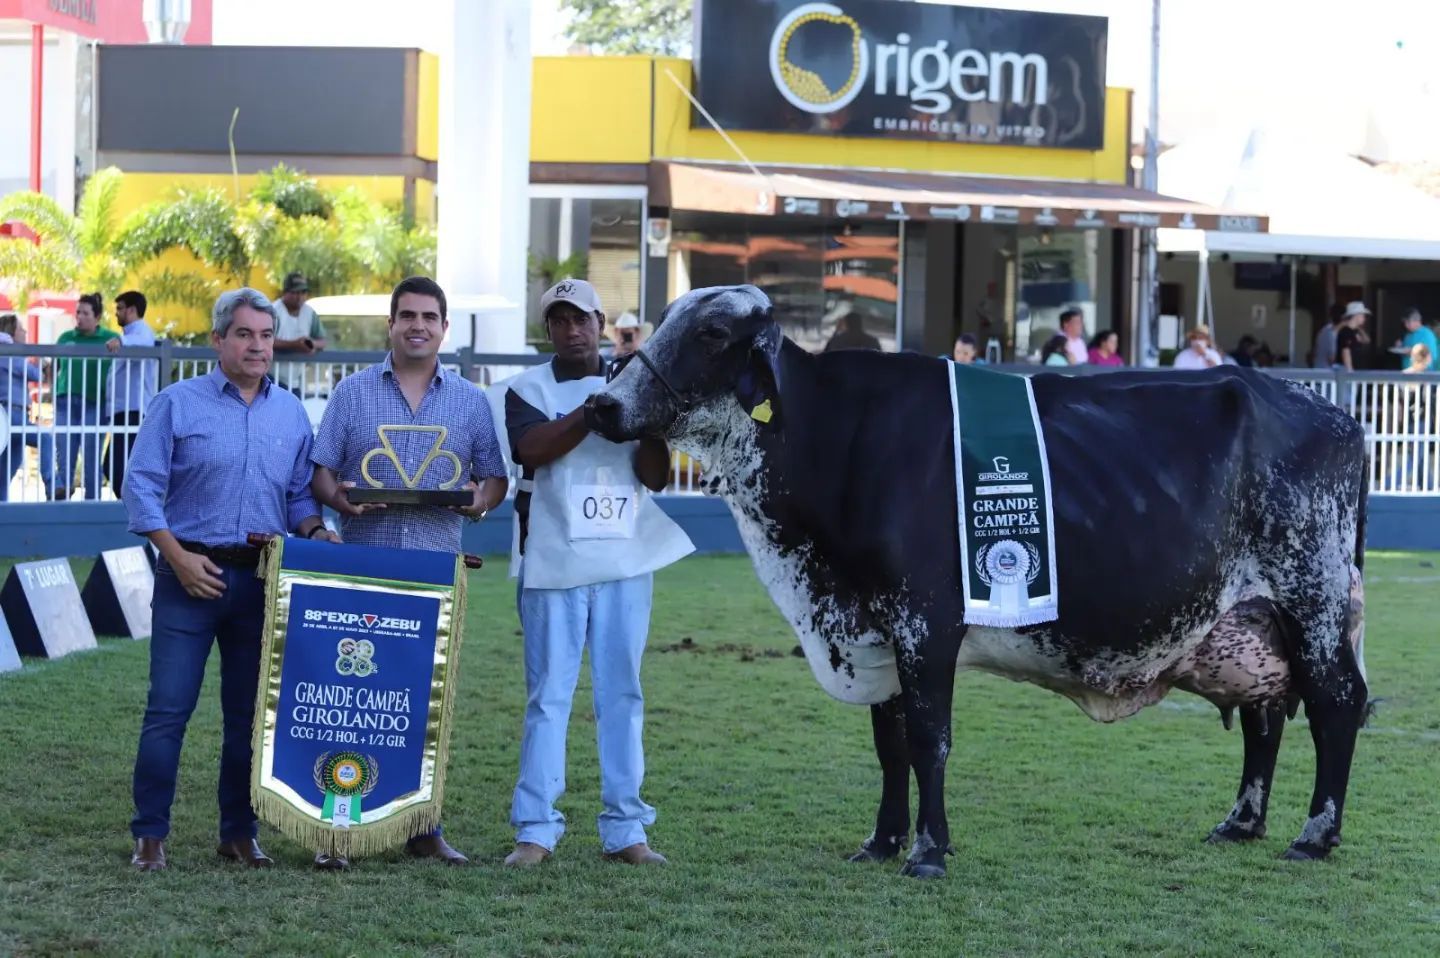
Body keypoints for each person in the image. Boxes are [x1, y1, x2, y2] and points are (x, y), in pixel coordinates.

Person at [122, 288, 338, 873]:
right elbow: (141, 487)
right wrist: (178, 557)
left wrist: (317, 531)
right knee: (168, 711)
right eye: (244, 334)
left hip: (261, 582)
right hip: (187, 577)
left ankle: (238, 834)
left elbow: (298, 496)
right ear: (218, 339)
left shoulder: (290, 412)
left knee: (247, 718)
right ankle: (150, 835)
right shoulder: (176, 403)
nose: (257, 346)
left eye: (266, 335)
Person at [309, 275, 509, 870]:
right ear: (390, 325)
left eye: (428, 317)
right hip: (365, 568)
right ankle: (337, 831)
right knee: (352, 700)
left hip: (434, 574)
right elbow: (321, 473)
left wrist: (478, 503)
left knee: (426, 704)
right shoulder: (352, 393)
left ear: (444, 328)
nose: (417, 326)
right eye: (407, 316)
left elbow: (493, 479)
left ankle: (424, 828)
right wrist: (341, 501)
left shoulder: (470, 400)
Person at [503, 279, 694, 868]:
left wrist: (647, 415)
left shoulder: (634, 381)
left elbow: (656, 475)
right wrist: (594, 411)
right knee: (548, 697)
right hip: (553, 562)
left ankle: (626, 829)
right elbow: (531, 449)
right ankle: (536, 829)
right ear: (548, 329)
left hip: (625, 561)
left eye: (581, 318)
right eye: (559, 320)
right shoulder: (526, 388)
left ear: (600, 322)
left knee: (623, 695)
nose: (572, 330)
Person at [42, 293, 119, 499]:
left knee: (91, 457)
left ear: (97, 317)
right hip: (65, 402)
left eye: (85, 313)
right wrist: (54, 393)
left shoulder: (110, 338)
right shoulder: (65, 337)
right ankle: (62, 504)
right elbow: (54, 368)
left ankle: (92, 504)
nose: (80, 317)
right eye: (78, 312)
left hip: (95, 403)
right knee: (64, 455)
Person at [104, 290, 158, 496]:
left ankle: (131, 506)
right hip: (124, 411)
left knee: (117, 468)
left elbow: (144, 342)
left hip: (133, 411)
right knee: (114, 467)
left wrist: (121, 342)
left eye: (120, 308)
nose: (116, 313)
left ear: (132, 310)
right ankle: (129, 504)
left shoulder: (142, 332)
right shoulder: (129, 335)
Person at [1, 314, 41, 501]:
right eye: (21, 329)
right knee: (46, 438)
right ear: (12, 333)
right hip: (13, 413)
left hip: (13, 414)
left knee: (5, 472)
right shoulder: (8, 352)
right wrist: (39, 363)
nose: (25, 332)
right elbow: (34, 374)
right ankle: (54, 483)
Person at [272, 272, 328, 396]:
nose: (300, 297)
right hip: (271, 378)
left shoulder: (309, 313)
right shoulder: (274, 311)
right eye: (295, 292)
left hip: (295, 381)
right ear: (285, 292)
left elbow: (323, 340)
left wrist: (312, 344)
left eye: (303, 292)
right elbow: (266, 341)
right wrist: (295, 345)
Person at [1396, 307, 1439, 372]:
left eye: (1407, 322)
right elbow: (1404, 353)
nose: (1405, 325)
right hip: (1408, 374)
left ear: (1417, 321)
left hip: (1424, 375)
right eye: (1404, 323)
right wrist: (1399, 347)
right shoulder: (1408, 335)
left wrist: (1412, 351)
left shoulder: (1426, 334)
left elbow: (1431, 357)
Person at [1335, 302, 1371, 372]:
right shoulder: (1346, 332)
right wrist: (1350, 371)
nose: (1364, 318)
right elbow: (1345, 351)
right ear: (1356, 316)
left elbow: (1366, 340)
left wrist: (1359, 329)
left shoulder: (1355, 331)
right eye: (1363, 315)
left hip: (1355, 369)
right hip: (1346, 370)